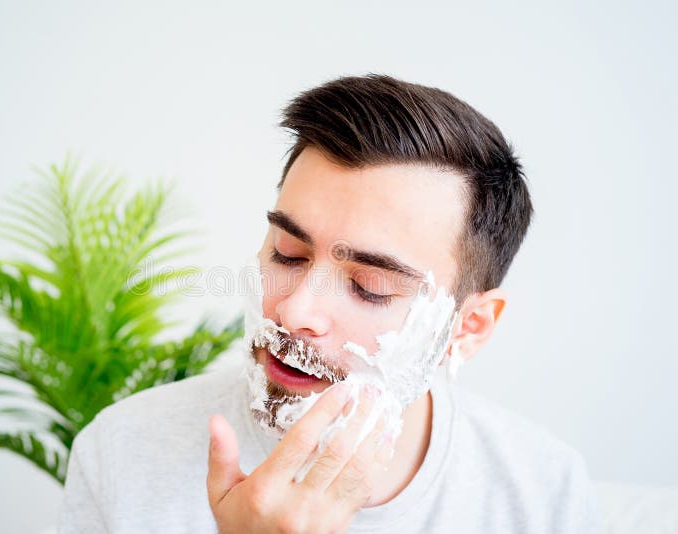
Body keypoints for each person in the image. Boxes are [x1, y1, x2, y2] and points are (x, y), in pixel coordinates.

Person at [58, 74, 601, 533]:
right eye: (288, 254)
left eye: (370, 287)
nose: (293, 313)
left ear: (470, 328)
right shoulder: (123, 453)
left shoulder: (542, 496)